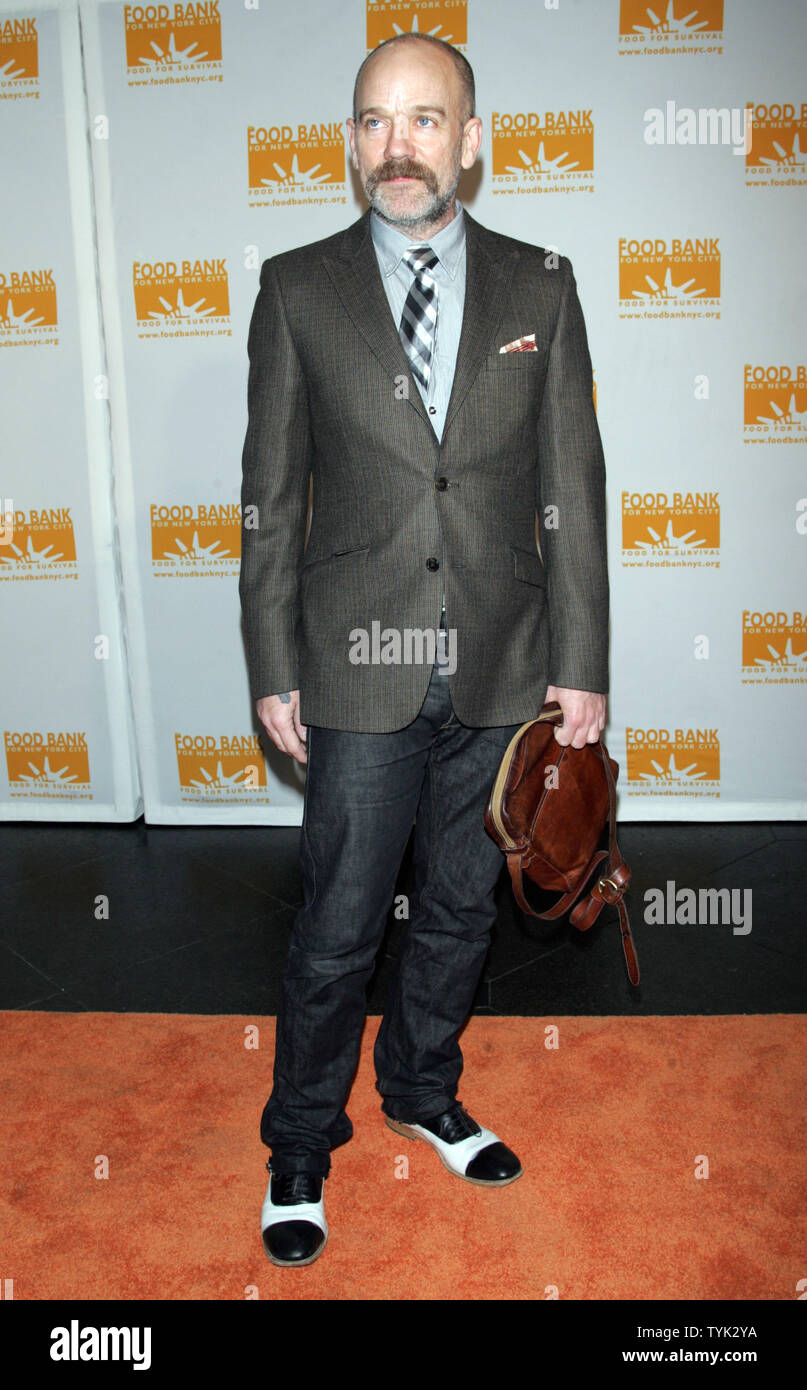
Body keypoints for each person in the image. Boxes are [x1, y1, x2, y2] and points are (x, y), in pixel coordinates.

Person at [239, 31, 609, 1268]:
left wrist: (583, 662)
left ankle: (420, 1087)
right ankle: (300, 1136)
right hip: (353, 665)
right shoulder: (297, 289)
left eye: (425, 119)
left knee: (458, 908)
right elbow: (270, 495)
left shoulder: (543, 286)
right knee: (340, 920)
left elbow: (575, 487)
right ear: (352, 143)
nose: (399, 145)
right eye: (375, 121)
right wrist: (272, 661)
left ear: (473, 140)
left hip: (505, 667)